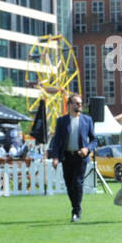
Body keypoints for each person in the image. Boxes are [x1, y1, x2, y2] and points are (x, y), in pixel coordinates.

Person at [48, 93, 96, 222]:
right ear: (69, 105)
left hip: (81, 157)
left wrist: (87, 149)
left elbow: (94, 140)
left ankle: (76, 211)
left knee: (78, 183)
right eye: (76, 103)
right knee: (69, 185)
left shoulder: (87, 120)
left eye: (80, 103)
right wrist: (55, 157)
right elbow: (57, 141)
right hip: (67, 157)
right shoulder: (62, 121)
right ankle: (75, 207)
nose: (80, 105)